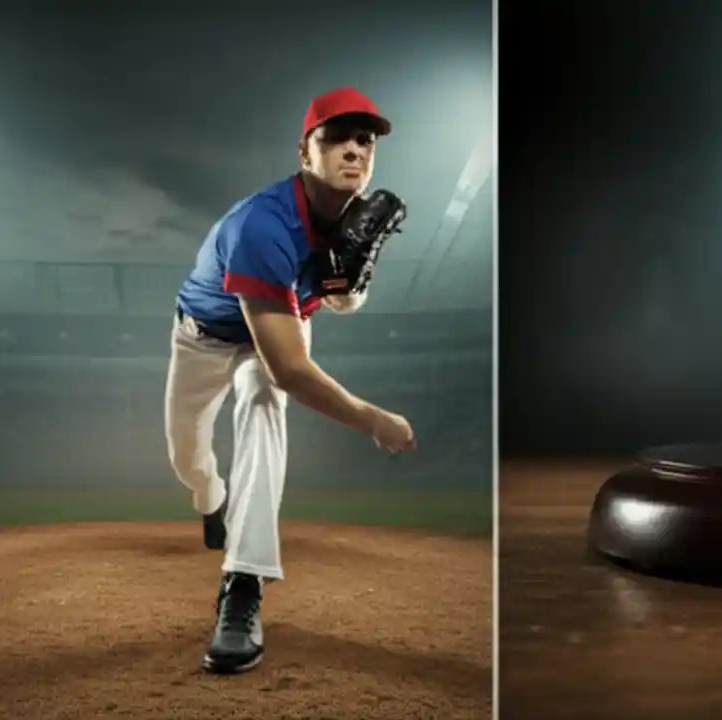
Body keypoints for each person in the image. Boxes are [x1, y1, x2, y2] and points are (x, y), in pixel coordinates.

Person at [164, 87, 416, 674]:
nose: (355, 149)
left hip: (279, 330)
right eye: (337, 137)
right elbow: (293, 370)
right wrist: (373, 419)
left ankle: (242, 585)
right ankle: (211, 499)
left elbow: (337, 309)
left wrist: (350, 278)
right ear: (305, 152)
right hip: (204, 334)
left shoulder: (357, 218)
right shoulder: (262, 223)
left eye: (366, 140)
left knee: (261, 402)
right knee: (186, 455)